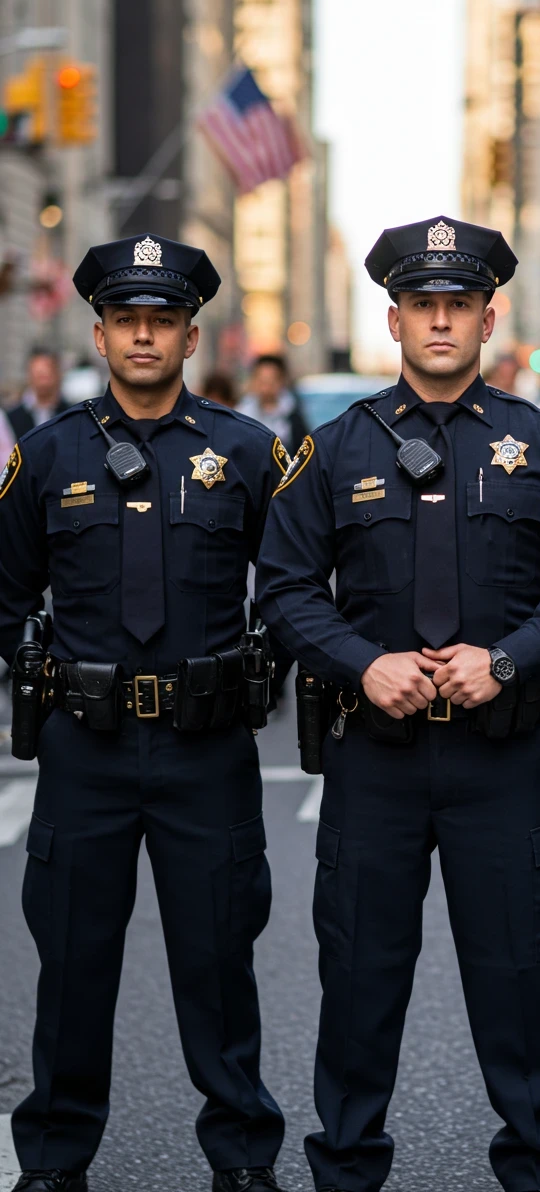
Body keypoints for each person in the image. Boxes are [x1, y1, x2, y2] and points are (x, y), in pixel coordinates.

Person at [255, 215, 540, 1192]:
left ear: (488, 316)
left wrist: (506, 659)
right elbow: (285, 589)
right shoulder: (331, 451)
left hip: (500, 758)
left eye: (458, 303)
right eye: (423, 304)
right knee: (360, 977)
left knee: (517, 978)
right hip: (373, 754)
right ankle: (346, 1166)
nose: (441, 319)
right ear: (393, 318)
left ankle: (537, 1166)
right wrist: (359, 663)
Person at [0, 234, 289, 1192]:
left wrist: (263, 671)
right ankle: (53, 1160)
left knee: (218, 962)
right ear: (98, 332)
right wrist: (36, 672)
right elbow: (3, 593)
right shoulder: (47, 456)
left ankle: (243, 1158)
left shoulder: (245, 452)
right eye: (126, 320)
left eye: (161, 321)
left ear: (190, 335)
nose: (143, 336)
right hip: (85, 747)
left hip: (207, 747)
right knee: (74, 962)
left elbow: (292, 586)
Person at [236, 352, 309, 456]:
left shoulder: (292, 413)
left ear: (281, 381)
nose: (266, 388)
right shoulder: (242, 414)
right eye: (262, 381)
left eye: (271, 381)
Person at [6, 347, 70, 438]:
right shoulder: (11, 418)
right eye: (38, 374)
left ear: (57, 374)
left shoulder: (70, 413)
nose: (43, 381)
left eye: (46, 374)